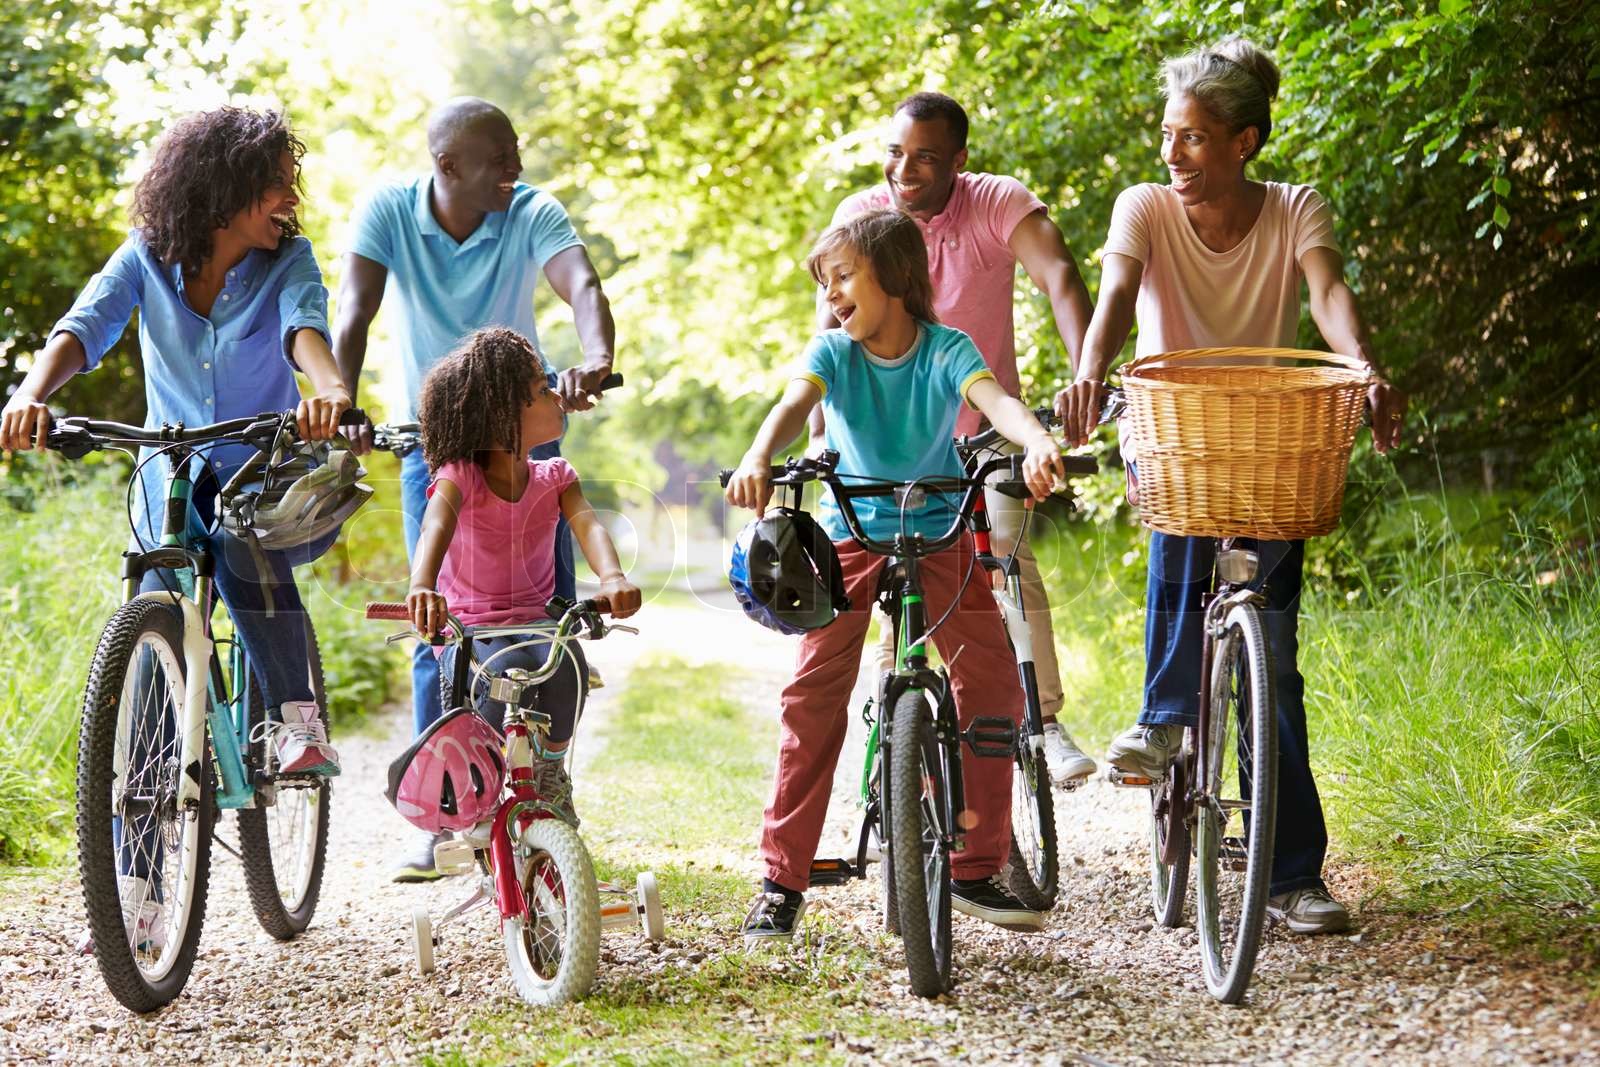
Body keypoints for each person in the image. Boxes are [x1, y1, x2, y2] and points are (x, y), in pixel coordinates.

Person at [1054, 38, 1408, 935]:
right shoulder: (1145, 207)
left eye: (1194, 137)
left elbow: (1327, 296)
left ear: (1244, 141)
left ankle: (1291, 876)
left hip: (1268, 443)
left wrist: (1364, 367)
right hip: (1176, 434)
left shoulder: (1295, 208)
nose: (1172, 153)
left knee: (1275, 667)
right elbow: (1114, 299)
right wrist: (1090, 373)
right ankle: (1164, 717)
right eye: (1168, 135)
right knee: (1180, 513)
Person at [0, 107, 350, 951]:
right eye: (275, 183)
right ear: (224, 189)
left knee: (237, 539)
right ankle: (142, 894)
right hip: (169, 474)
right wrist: (31, 395)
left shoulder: (288, 259)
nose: (290, 198)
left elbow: (305, 328)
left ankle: (295, 719)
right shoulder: (145, 260)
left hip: (258, 473)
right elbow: (86, 325)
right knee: (150, 673)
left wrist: (331, 390)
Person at [725, 209, 1067, 942]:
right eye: (825, 283)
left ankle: (976, 865)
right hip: (853, 533)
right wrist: (758, 456)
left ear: (896, 278)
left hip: (938, 531)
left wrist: (1037, 441)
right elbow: (792, 406)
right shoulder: (833, 352)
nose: (831, 294)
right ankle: (781, 881)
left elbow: (997, 403)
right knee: (813, 696)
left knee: (993, 682)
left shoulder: (947, 348)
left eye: (843, 277)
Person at [333, 96, 619, 880]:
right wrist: (342, 398)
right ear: (449, 165)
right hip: (434, 444)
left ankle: (543, 790)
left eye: (517, 155)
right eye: (501, 159)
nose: (516, 171)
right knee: (440, 626)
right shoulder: (390, 212)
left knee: (552, 623)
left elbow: (582, 284)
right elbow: (353, 309)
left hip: (527, 437)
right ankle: (445, 809)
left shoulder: (528, 210)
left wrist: (595, 356)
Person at [820, 92, 1099, 788]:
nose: (903, 170)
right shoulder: (861, 216)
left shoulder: (995, 202)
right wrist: (823, 431)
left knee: (1003, 550)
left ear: (959, 161)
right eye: (894, 153)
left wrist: (1085, 374)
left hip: (984, 431)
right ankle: (896, 730)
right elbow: (830, 326)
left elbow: (1059, 275)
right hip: (888, 444)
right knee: (892, 568)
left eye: (925, 158)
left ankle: (1041, 719)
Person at [403, 327, 640, 826]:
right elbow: (434, 526)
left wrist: (613, 577)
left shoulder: (556, 477)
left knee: (567, 666)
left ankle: (550, 771)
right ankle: (483, 790)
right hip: (471, 630)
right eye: (541, 389)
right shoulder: (459, 476)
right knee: (500, 680)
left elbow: (589, 526)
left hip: (535, 621)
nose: (556, 395)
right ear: (501, 414)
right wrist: (422, 585)